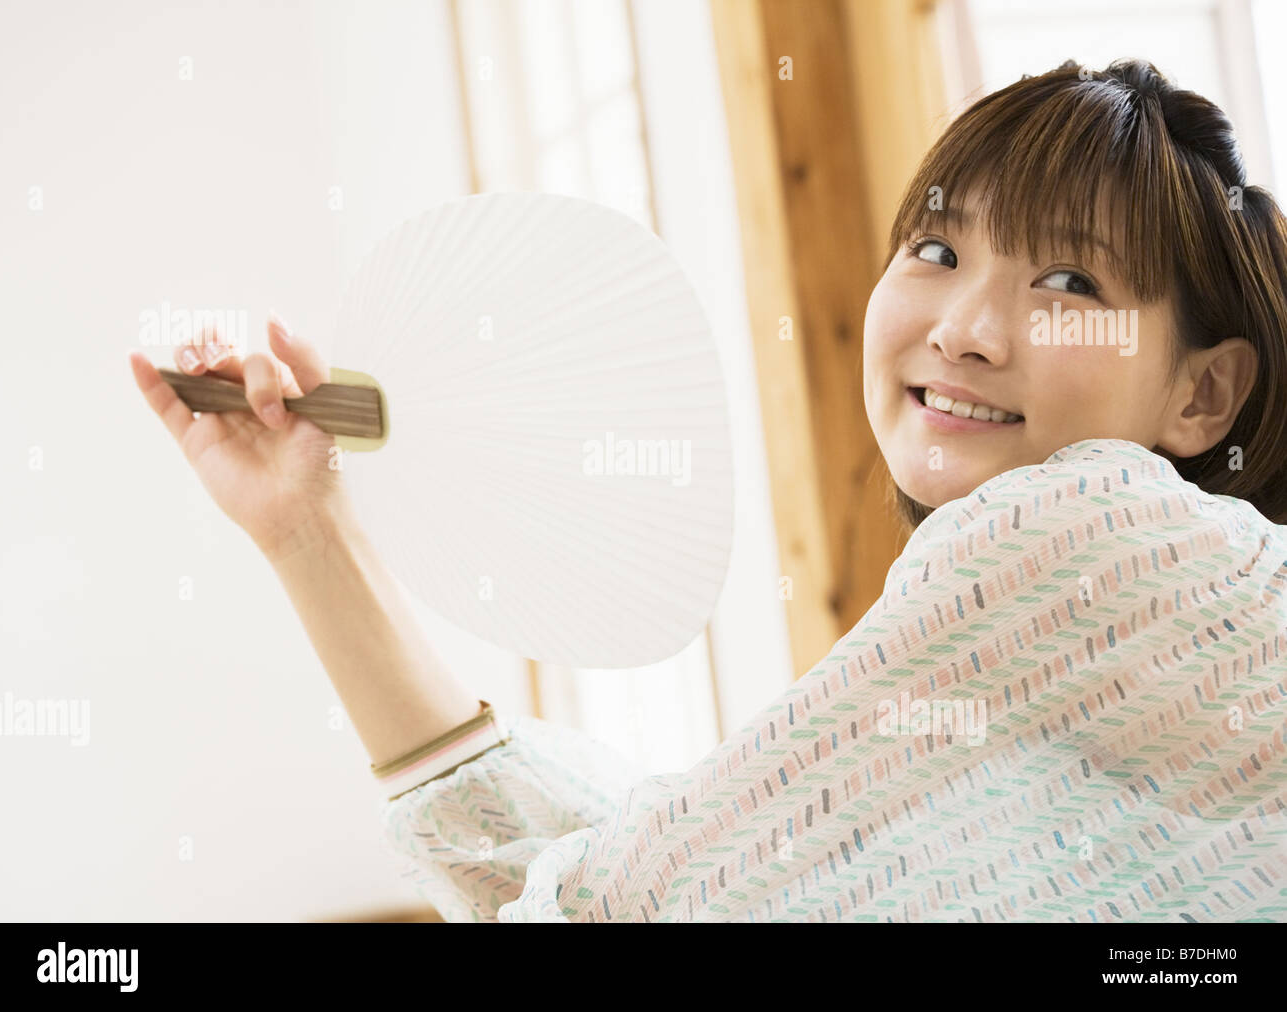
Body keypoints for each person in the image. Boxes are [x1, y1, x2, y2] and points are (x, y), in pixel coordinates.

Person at [129, 58, 1287, 922]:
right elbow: (648, 869)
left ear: (1203, 396)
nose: (967, 329)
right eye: (936, 252)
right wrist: (306, 526)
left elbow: (630, 902)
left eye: (1067, 278)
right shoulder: (1143, 645)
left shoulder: (1071, 531)